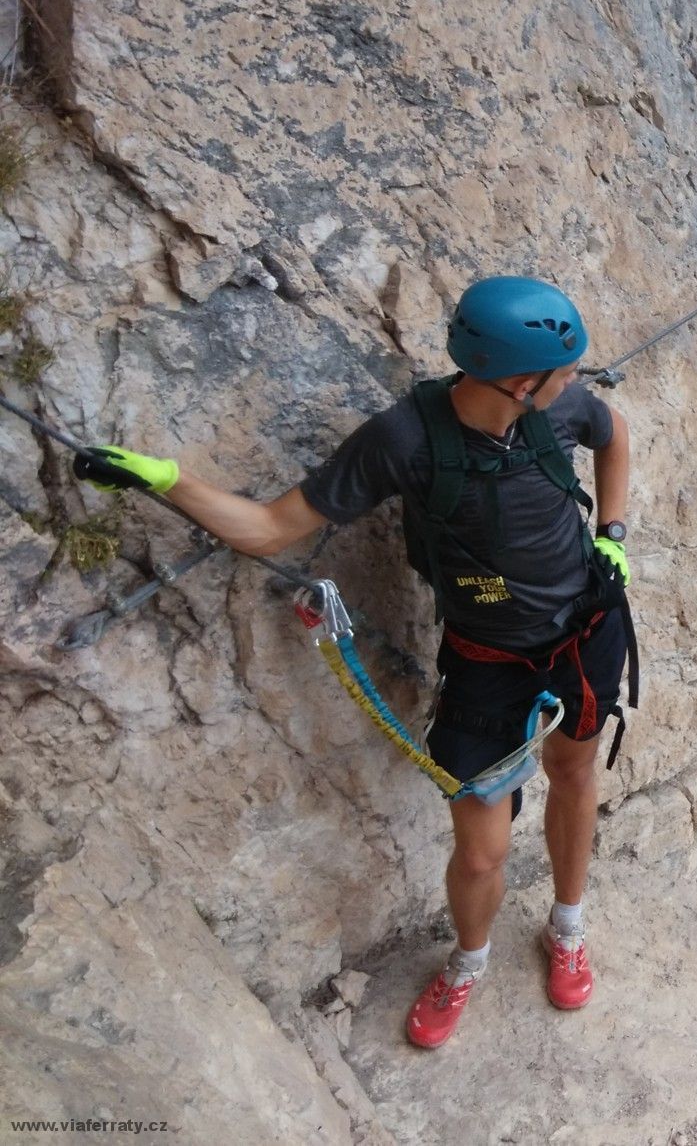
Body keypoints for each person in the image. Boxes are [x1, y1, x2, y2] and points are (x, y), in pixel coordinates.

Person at [71, 277, 635, 1050]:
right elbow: (272, 529)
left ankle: (566, 928)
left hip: (586, 629)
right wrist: (168, 482)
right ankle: (468, 960)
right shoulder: (402, 442)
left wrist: (613, 535)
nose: (576, 381)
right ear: (517, 378)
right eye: (563, 369)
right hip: (487, 661)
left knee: (575, 774)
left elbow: (614, 434)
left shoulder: (558, 408)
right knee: (482, 852)